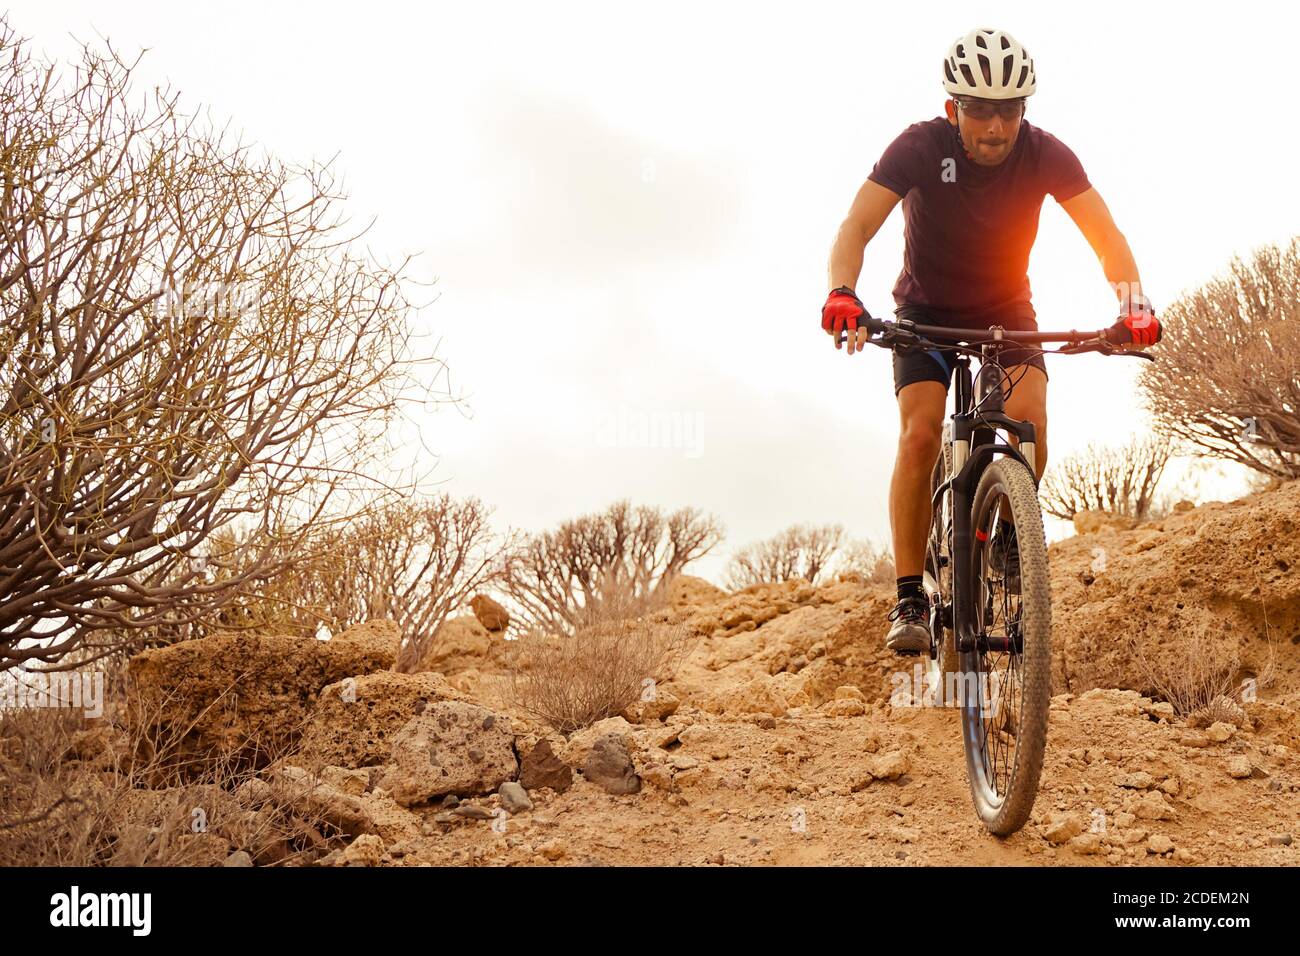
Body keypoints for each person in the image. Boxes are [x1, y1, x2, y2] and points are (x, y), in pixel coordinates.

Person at [820, 27, 1162, 654]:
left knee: (1029, 419)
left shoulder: (1046, 153)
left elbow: (1104, 233)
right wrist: (843, 290)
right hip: (923, 312)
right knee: (921, 432)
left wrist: (1132, 304)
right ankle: (909, 594)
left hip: (1007, 310)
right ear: (954, 108)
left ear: (1024, 110)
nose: (996, 127)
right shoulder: (920, 147)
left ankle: (1009, 537)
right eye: (980, 110)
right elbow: (856, 224)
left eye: (1009, 110)